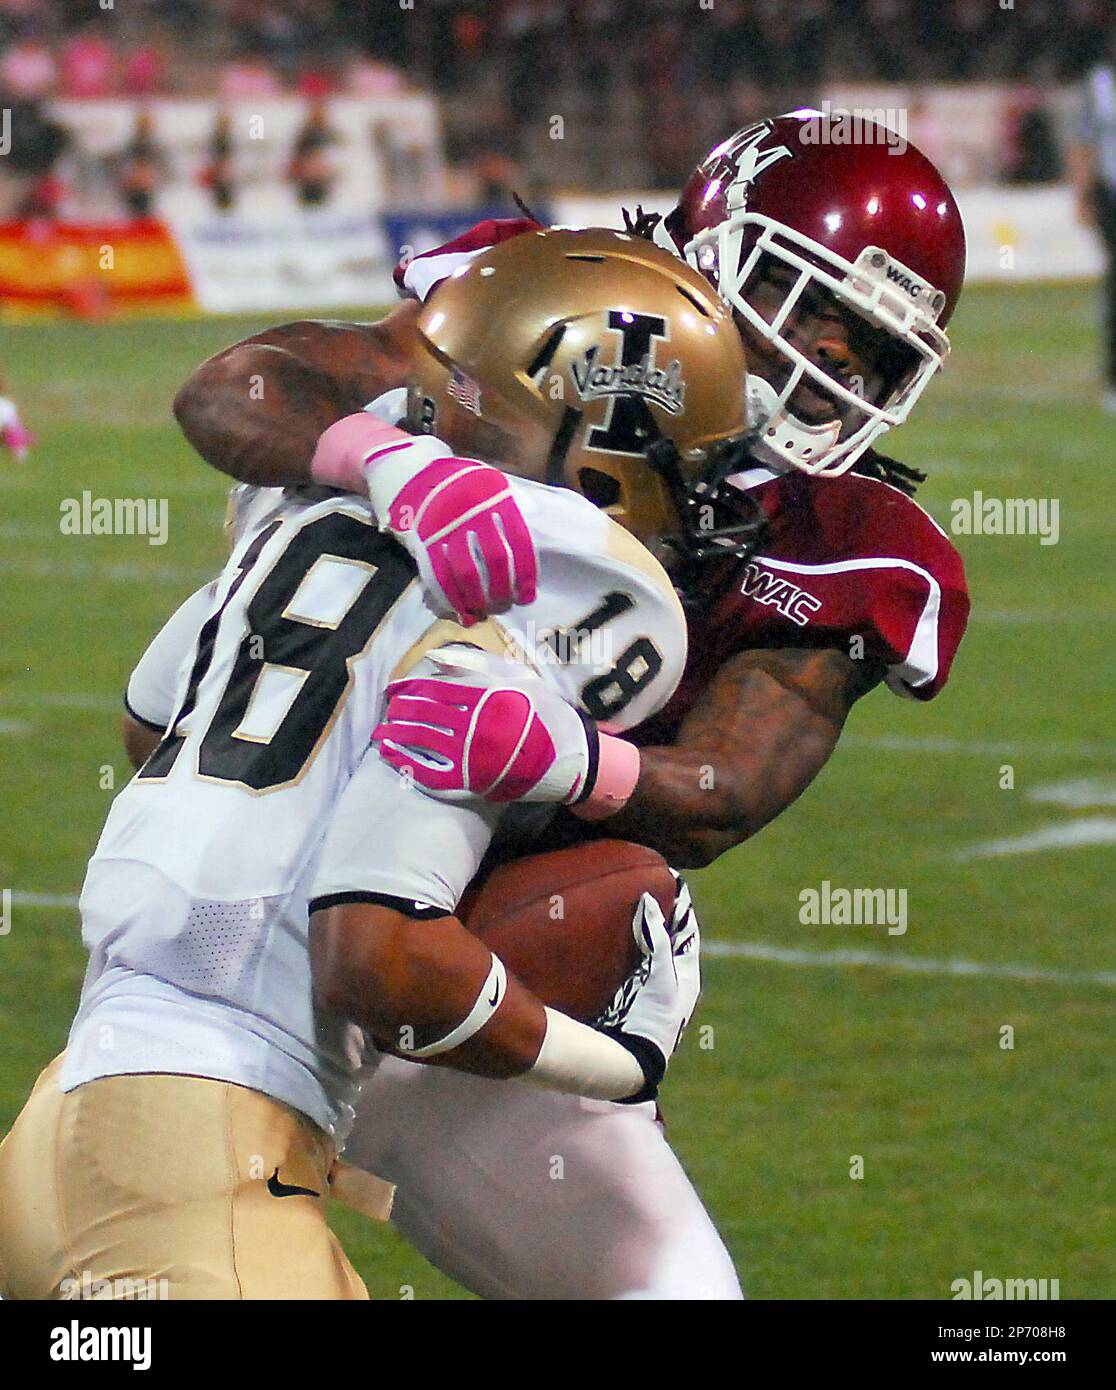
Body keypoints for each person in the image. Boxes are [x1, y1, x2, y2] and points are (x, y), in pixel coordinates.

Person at [170, 113, 972, 1299]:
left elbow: (725, 790)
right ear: (715, 237)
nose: (824, 366)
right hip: (248, 924)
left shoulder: (848, 543)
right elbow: (234, 392)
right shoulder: (551, 310)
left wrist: (570, 763)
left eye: (865, 352)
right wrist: (388, 460)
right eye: (805, 306)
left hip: (461, 981)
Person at [0, 231, 741, 1301]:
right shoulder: (529, 587)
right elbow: (375, 957)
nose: (703, 498)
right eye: (689, 459)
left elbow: (149, 718)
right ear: (600, 449)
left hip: (71, 1120)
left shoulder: (305, 510)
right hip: (202, 1162)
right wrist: (619, 1058)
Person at [1070, 35, 1116, 413]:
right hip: (1111, 194)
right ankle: (1113, 380)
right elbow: (1083, 142)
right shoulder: (1098, 85)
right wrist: (1084, 194)